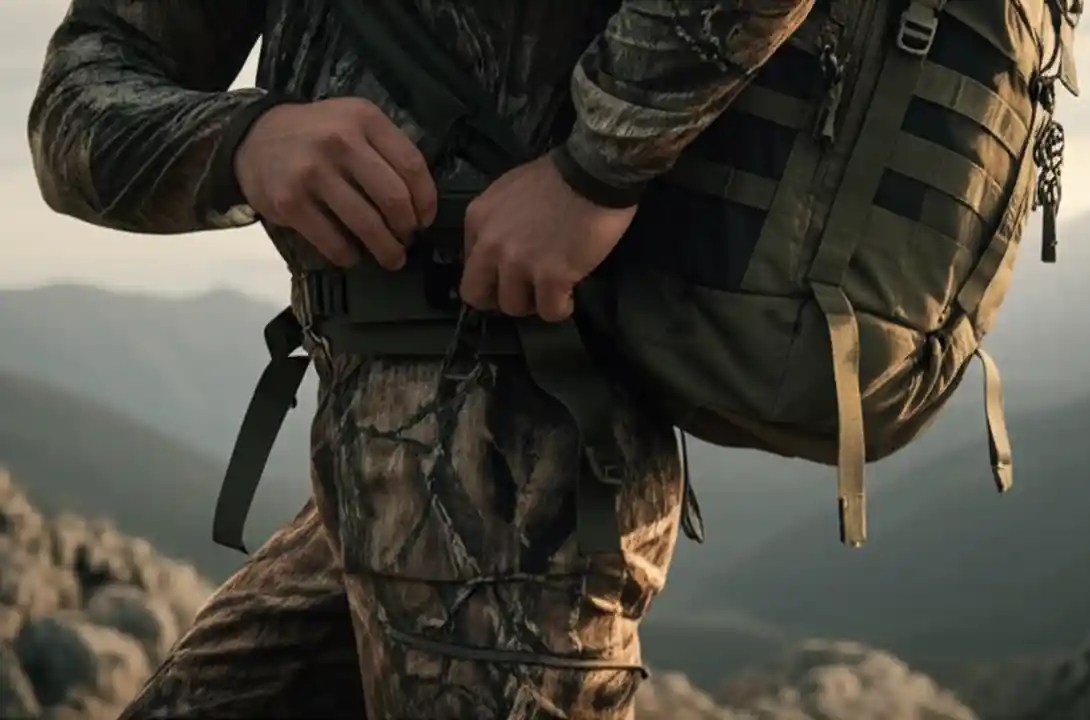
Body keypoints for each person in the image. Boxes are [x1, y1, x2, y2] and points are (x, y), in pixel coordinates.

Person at [27, 0, 812, 717]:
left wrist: (596, 171)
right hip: (370, 462)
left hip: (527, 459)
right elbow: (78, 92)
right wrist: (244, 141)